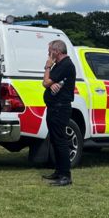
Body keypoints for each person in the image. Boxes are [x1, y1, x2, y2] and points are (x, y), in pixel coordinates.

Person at [42, 39, 76, 187]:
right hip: (54, 106)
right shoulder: (60, 65)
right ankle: (59, 171)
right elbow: (49, 82)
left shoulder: (65, 64)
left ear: (57, 51)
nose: (48, 54)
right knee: (55, 140)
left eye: (50, 51)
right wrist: (52, 82)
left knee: (60, 141)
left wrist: (47, 67)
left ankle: (66, 175)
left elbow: (45, 82)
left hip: (60, 107)